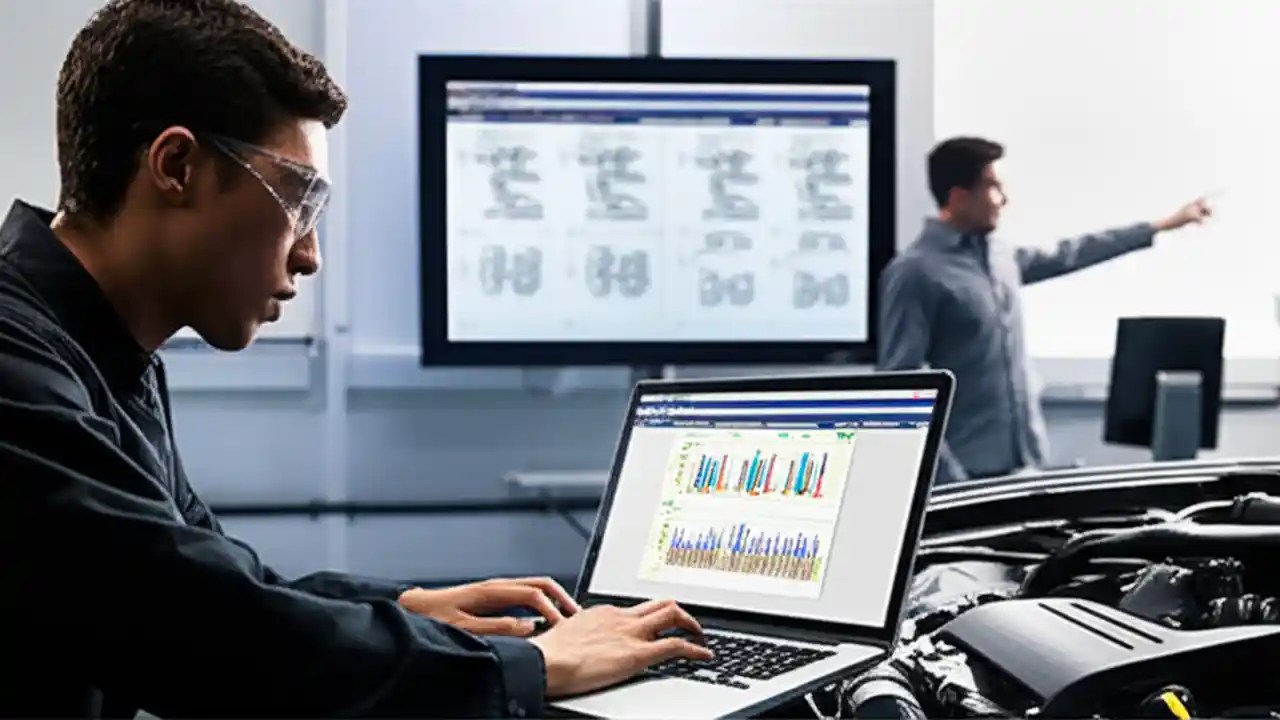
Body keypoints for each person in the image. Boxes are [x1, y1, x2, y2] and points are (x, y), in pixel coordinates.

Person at [0, 0, 711, 716]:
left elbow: (220, 581)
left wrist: (409, 610)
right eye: (299, 199)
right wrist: (523, 665)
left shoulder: (106, 359)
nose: (309, 254)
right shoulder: (13, 361)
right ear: (176, 165)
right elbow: (196, 628)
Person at [877, 137, 1211, 484]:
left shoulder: (1000, 256)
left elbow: (1073, 252)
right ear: (959, 196)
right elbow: (900, 387)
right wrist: (947, 478)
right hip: (965, 479)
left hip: (1026, 466)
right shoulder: (915, 273)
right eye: (993, 188)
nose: (1004, 200)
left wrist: (1161, 225)